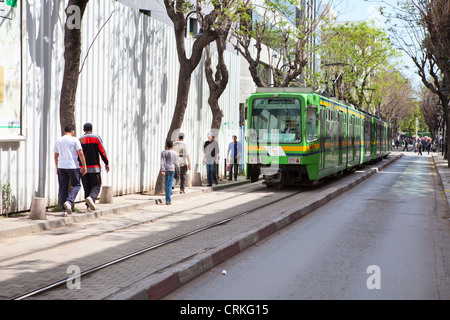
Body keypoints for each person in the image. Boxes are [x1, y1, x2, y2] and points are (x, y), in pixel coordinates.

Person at [53, 125, 88, 216]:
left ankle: (64, 210)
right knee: (76, 185)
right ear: (72, 131)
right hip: (73, 166)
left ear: (65, 131)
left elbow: (56, 156)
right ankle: (69, 201)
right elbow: (80, 153)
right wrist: (84, 166)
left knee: (63, 187)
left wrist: (57, 167)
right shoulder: (74, 140)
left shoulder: (58, 140)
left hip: (61, 166)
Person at [79, 123, 110, 211]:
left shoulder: (80, 140)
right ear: (91, 129)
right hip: (94, 167)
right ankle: (91, 198)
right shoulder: (96, 138)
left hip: (83, 168)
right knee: (97, 185)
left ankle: (88, 206)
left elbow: (78, 154)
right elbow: (102, 151)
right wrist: (106, 163)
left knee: (86, 186)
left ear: (83, 130)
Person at [161, 140, 180, 205]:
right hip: (172, 169)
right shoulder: (174, 153)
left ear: (166, 145)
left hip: (166, 169)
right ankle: (168, 200)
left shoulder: (163, 152)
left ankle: (167, 199)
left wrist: (162, 170)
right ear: (172, 145)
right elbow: (177, 163)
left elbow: (162, 162)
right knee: (169, 184)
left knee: (166, 184)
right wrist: (178, 170)